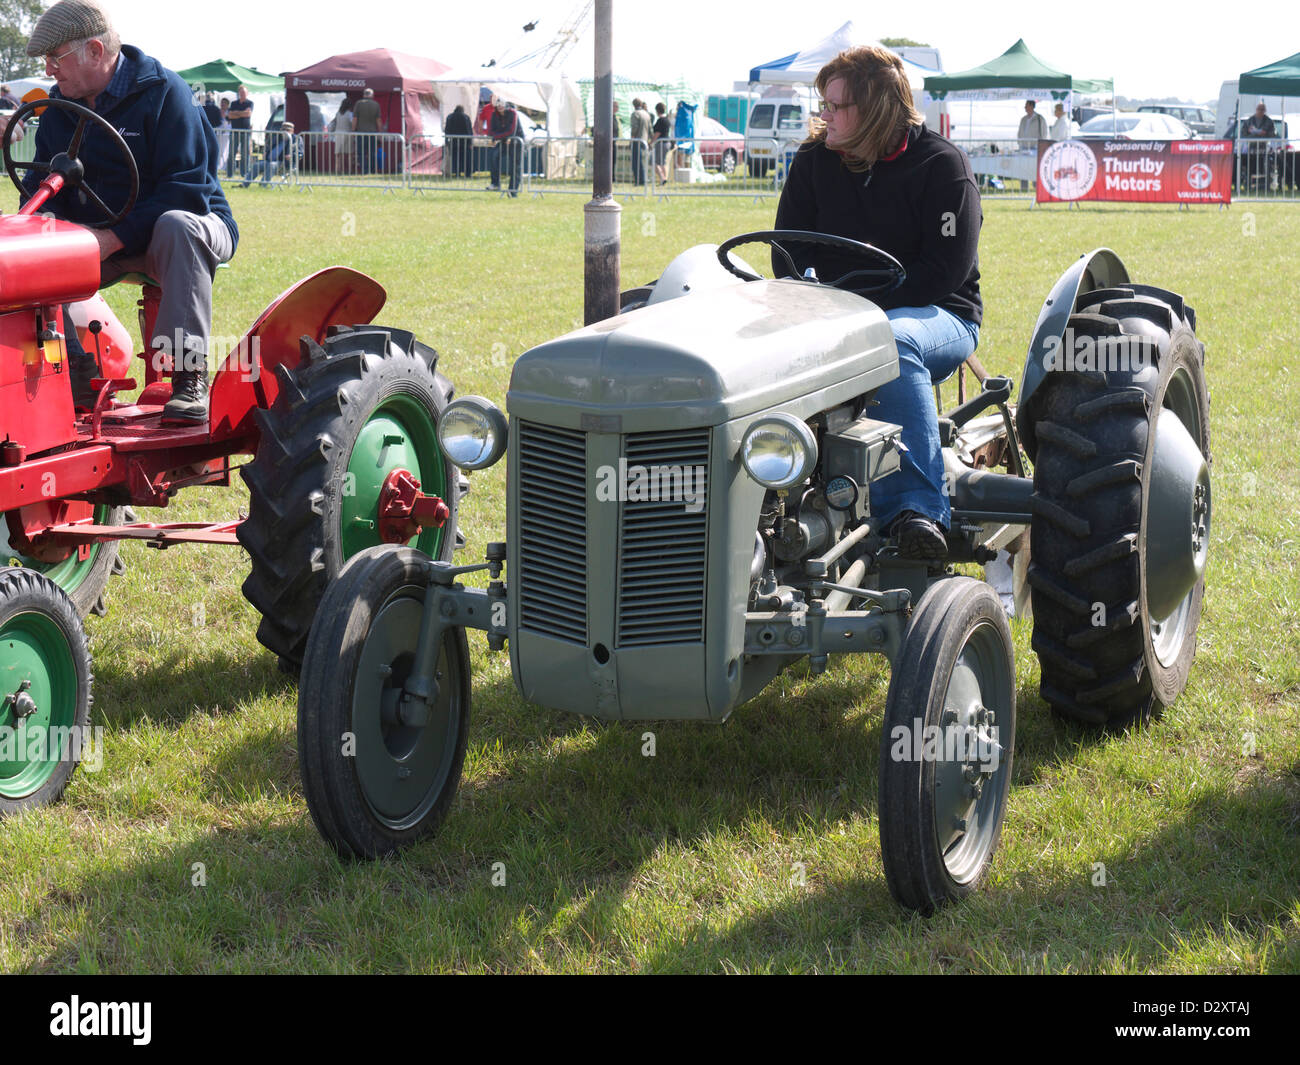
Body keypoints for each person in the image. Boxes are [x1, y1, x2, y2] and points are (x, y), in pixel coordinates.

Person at [773, 45, 982, 559]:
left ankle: (916, 511)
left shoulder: (942, 166)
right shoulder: (813, 161)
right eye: (823, 104)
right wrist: (828, 301)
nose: (824, 116)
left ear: (876, 109)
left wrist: (862, 310)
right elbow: (787, 250)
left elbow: (944, 272)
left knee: (892, 339)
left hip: (940, 314)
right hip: (836, 314)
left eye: (836, 106)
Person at [2, 0, 238, 424]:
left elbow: (187, 191)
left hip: (191, 226)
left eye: (56, 58)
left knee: (177, 226)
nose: (49, 70)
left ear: (95, 51)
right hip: (101, 237)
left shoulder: (165, 93)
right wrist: (47, 227)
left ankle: (188, 377)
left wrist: (109, 240)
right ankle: (71, 372)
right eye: (45, 60)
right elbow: (45, 189)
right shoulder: (60, 108)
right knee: (31, 258)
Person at [241, 120, 301, 186]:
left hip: (284, 163)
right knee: (256, 165)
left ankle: (263, 184)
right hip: (269, 161)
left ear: (292, 131)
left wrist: (291, 156)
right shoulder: (277, 137)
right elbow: (268, 147)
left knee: (271, 165)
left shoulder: (296, 139)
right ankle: (245, 184)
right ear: (281, 129)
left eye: (287, 130)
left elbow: (300, 153)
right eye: (283, 129)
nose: (285, 131)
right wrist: (266, 153)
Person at [488, 95, 521, 196]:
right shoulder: (495, 115)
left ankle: (512, 191)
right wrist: (497, 137)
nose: (500, 108)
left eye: (501, 106)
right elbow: (491, 130)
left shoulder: (513, 113)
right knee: (493, 156)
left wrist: (497, 137)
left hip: (516, 143)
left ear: (506, 106)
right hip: (503, 142)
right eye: (498, 106)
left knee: (515, 167)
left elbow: (511, 130)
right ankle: (495, 183)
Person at [226, 83, 253, 179]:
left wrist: (236, 113)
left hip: (245, 132)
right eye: (241, 93)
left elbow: (248, 114)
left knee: (245, 154)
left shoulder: (250, 103)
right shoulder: (233, 103)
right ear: (239, 93)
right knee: (231, 153)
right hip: (234, 131)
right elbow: (229, 116)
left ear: (247, 93)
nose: (242, 94)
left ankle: (244, 174)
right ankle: (230, 174)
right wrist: (241, 113)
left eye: (244, 93)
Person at [352, 86, 381, 174]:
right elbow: (378, 120)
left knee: (361, 153)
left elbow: (355, 118)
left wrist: (353, 131)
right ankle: (372, 170)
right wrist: (380, 132)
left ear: (364, 94)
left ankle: (364, 170)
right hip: (372, 132)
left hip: (361, 132)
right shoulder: (376, 104)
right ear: (372, 95)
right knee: (372, 152)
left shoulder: (358, 103)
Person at [444, 102, 473, 179]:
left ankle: (457, 173)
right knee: (466, 159)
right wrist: (470, 142)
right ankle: (468, 174)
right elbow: (469, 130)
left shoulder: (449, 117)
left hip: (454, 142)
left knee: (455, 158)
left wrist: (447, 141)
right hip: (465, 142)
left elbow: (447, 130)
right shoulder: (466, 117)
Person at [629, 96, 652, 185]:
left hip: (637, 140)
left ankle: (639, 180)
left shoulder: (635, 114)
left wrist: (632, 139)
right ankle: (643, 179)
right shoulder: (646, 114)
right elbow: (650, 129)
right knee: (643, 161)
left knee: (636, 161)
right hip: (645, 140)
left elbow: (634, 128)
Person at [652, 100, 672, 182]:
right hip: (667, 142)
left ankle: (662, 178)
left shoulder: (660, 121)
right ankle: (664, 178)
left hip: (661, 143)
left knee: (656, 162)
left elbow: (657, 133)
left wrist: (651, 142)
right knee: (662, 162)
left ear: (657, 110)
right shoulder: (667, 120)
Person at [331, 100, 354, 174]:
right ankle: (350, 170)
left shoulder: (337, 114)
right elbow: (352, 123)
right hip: (348, 134)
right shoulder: (350, 114)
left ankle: (338, 169)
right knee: (349, 153)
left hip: (338, 134)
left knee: (338, 154)